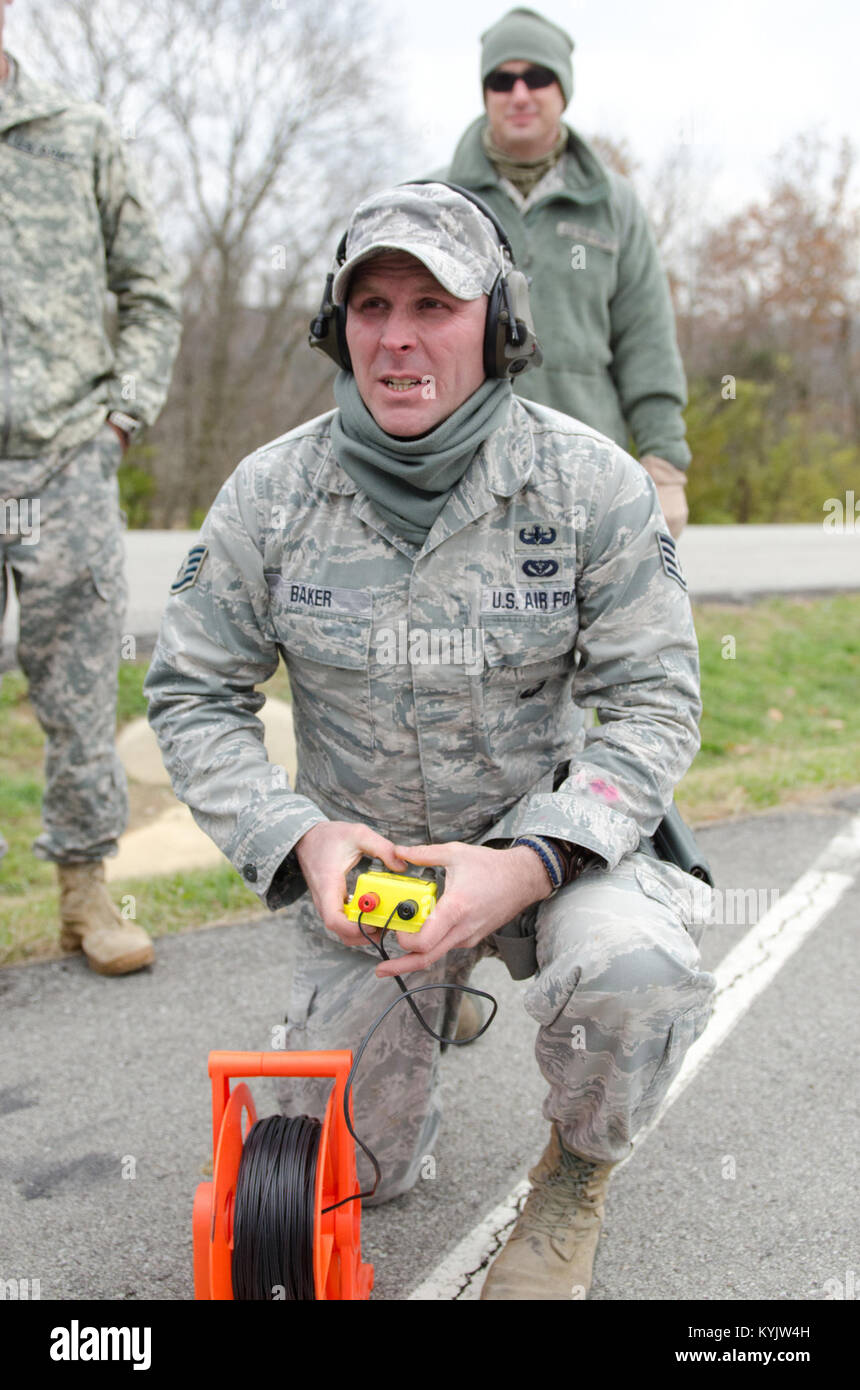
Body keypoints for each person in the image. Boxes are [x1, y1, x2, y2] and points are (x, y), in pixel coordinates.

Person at [145, 182, 715, 1300]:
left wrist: (528, 862)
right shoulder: (268, 496)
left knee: (633, 977)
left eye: (434, 305)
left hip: (550, 854)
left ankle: (572, 1184)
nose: (397, 339)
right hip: (368, 883)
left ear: (497, 325)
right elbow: (192, 694)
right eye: (370, 308)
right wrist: (298, 840)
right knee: (357, 1179)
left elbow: (655, 701)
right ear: (334, 327)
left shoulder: (588, 483)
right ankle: (422, 999)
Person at [0, 2, 181, 974]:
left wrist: (123, 416)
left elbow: (151, 285)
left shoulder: (77, 134)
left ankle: (85, 895)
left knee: (75, 692)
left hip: (69, 452)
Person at [433, 6, 691, 538]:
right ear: (485, 92)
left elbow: (647, 341)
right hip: (459, 482)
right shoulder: (435, 202)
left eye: (538, 77)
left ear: (563, 90)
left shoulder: (614, 205)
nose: (520, 93)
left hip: (592, 476)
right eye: (502, 80)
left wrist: (665, 468)